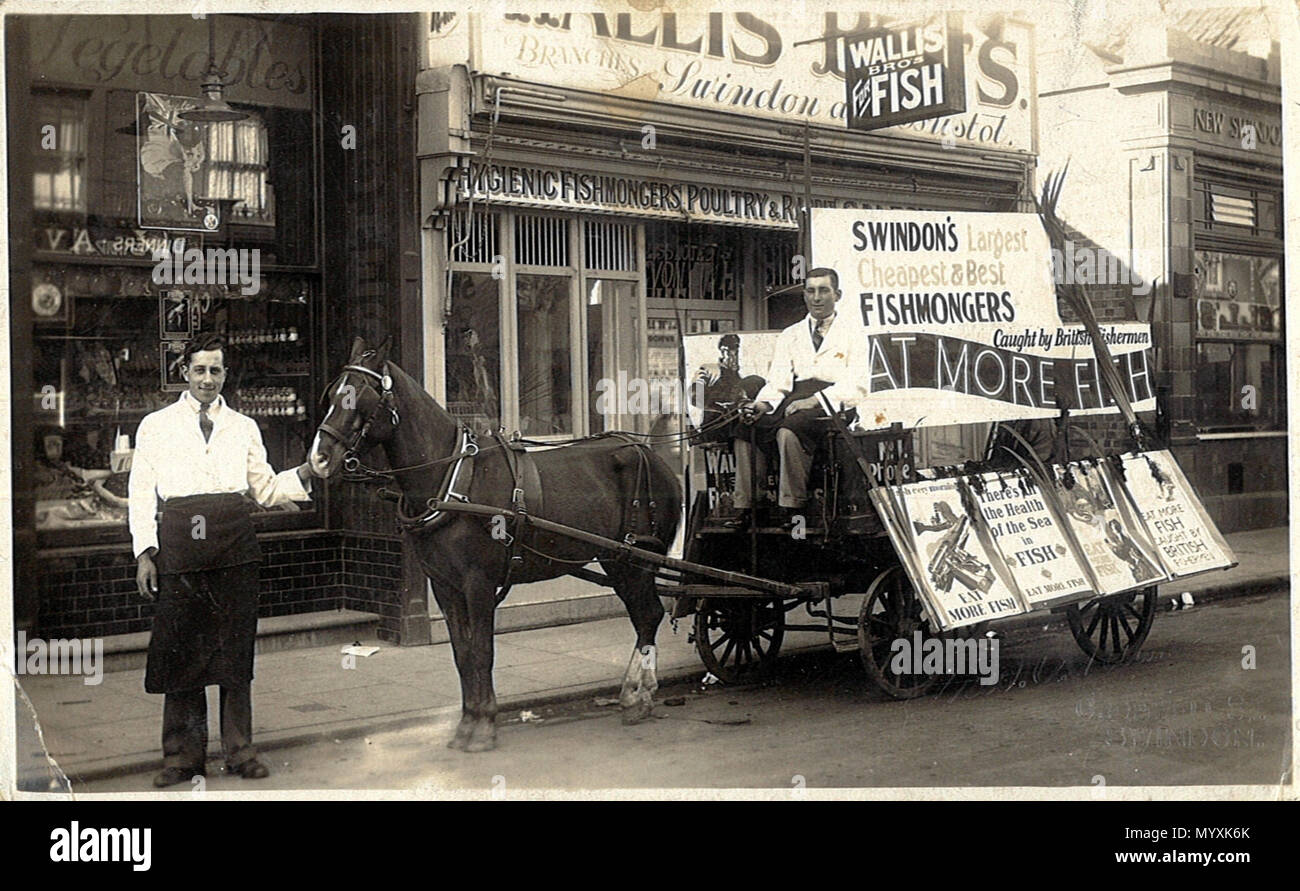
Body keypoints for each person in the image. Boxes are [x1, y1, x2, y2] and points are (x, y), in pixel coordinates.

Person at [129, 333, 325, 788]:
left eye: (216, 370)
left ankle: (241, 752)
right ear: (184, 373)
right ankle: (182, 757)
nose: (207, 379)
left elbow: (267, 490)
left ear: (225, 374)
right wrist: (144, 552)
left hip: (234, 547)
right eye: (199, 370)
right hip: (179, 545)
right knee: (181, 654)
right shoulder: (155, 425)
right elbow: (140, 494)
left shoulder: (244, 427)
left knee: (233, 653)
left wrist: (307, 472)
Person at [729, 268, 864, 528]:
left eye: (824, 290)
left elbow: (856, 384)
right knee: (745, 429)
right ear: (804, 295)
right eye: (811, 291)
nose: (817, 297)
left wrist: (815, 400)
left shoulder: (853, 334)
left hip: (834, 405)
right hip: (793, 399)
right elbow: (779, 379)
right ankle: (749, 506)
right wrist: (762, 404)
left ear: (837, 294)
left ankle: (793, 507)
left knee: (789, 430)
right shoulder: (791, 334)